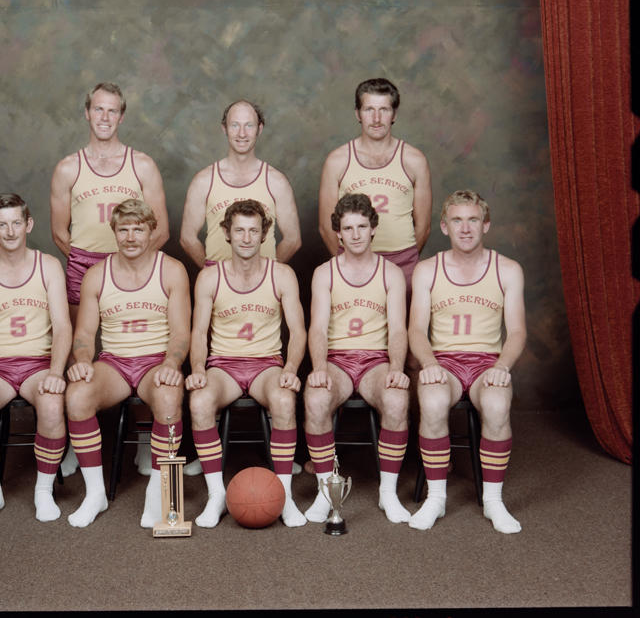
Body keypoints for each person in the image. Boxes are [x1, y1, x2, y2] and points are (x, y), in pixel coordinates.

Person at [50, 82, 170, 477]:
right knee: (79, 353)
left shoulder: (142, 165)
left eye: (112, 111)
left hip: (136, 264)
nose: (105, 117)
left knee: (138, 349)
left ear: (122, 116)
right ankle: (72, 442)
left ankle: (140, 440)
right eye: (98, 110)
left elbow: (162, 229)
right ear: (87, 113)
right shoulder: (69, 167)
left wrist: (126, 262)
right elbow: (59, 232)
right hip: (85, 263)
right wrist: (97, 269)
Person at [63, 199, 191, 528]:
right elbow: (85, 334)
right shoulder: (96, 275)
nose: (131, 237)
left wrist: (172, 364)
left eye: (138, 229)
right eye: (124, 230)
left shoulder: (172, 270)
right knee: (77, 395)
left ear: (151, 233)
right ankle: (95, 494)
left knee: (168, 396)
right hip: (115, 362)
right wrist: (80, 360)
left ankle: (164, 493)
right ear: (114, 233)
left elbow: (180, 333)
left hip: (155, 362)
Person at [408, 189, 526, 534]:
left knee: (496, 404)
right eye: (457, 220)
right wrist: (428, 362)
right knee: (430, 399)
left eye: (473, 220)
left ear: (485, 224)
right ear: (444, 227)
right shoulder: (427, 270)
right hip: (443, 360)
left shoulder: (508, 269)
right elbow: (415, 329)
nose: (465, 228)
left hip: (488, 361)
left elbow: (517, 331)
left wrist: (502, 367)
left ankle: (493, 501)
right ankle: (437, 497)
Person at [185, 199, 307, 528]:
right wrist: (198, 369)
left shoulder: (282, 274)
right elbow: (197, 333)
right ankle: (216, 495)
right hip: (222, 365)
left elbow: (298, 332)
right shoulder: (210, 277)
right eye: (239, 230)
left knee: (284, 399)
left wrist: (291, 370)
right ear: (226, 233)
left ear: (265, 234)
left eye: (254, 231)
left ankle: (284, 495)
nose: (246, 238)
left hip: (266, 364)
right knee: (199, 401)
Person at [0, 193, 71, 524]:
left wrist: (56, 371)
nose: (10, 232)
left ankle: (44, 491)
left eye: (16, 224)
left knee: (52, 404)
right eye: (2, 225)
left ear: (29, 225)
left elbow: (64, 327)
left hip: (39, 364)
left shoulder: (48, 266)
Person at [303, 193, 412, 524]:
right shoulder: (325, 273)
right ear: (338, 232)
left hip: (376, 360)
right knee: (316, 399)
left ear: (373, 228)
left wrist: (396, 368)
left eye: (362, 226)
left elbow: (397, 329)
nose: (355, 234)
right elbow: (318, 328)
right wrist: (319, 368)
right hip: (336, 359)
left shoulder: (391, 273)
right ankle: (326, 490)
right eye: (348, 228)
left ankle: (388, 493)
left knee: (396, 401)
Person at [317, 77, 431, 300]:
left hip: (403, 264)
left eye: (384, 110)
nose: (376, 119)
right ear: (358, 114)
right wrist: (349, 260)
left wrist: (405, 260)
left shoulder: (414, 160)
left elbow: (424, 226)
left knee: (402, 332)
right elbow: (325, 226)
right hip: (352, 263)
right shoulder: (338, 161)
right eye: (369, 109)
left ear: (394, 114)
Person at [179, 99, 301, 268]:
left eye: (249, 125)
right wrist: (213, 273)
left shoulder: (276, 182)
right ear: (224, 129)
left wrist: (267, 272)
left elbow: (293, 240)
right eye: (235, 125)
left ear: (259, 129)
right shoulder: (204, 181)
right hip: (217, 284)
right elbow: (187, 238)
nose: (242, 134)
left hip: (263, 283)